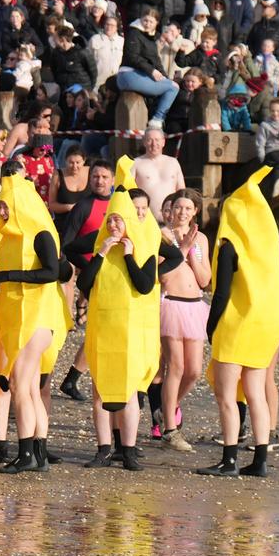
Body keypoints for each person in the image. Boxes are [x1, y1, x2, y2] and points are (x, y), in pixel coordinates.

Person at [0, 169, 68, 476]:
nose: (0, 212)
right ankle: (38, 451)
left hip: (38, 319)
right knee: (26, 387)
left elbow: (52, 272)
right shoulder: (10, 238)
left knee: (20, 385)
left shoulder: (40, 233)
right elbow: (2, 284)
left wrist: (10, 276)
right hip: (19, 321)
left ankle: (26, 451)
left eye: (5, 207)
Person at [198, 162, 279, 479]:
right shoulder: (267, 246)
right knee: (256, 393)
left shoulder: (228, 245)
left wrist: (210, 327)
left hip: (237, 325)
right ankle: (260, 460)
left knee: (226, 397)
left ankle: (229, 459)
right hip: (266, 325)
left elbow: (221, 293)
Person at [82, 173, 161, 473]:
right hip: (103, 330)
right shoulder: (100, 249)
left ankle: (127, 450)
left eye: (119, 220)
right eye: (110, 220)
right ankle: (103, 448)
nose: (114, 225)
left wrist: (128, 256)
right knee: (101, 390)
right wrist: (101, 253)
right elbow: (85, 285)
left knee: (128, 392)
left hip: (131, 334)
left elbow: (144, 285)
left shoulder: (145, 250)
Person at [157, 188, 210, 452]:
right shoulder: (162, 236)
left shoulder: (201, 238)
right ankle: (169, 428)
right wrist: (182, 247)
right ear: (171, 209)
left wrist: (191, 250)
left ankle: (168, 408)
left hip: (195, 306)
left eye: (188, 208)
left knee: (193, 371)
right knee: (175, 367)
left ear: (195, 211)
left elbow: (205, 279)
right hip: (172, 304)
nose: (182, 212)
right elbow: (161, 276)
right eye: (178, 207)